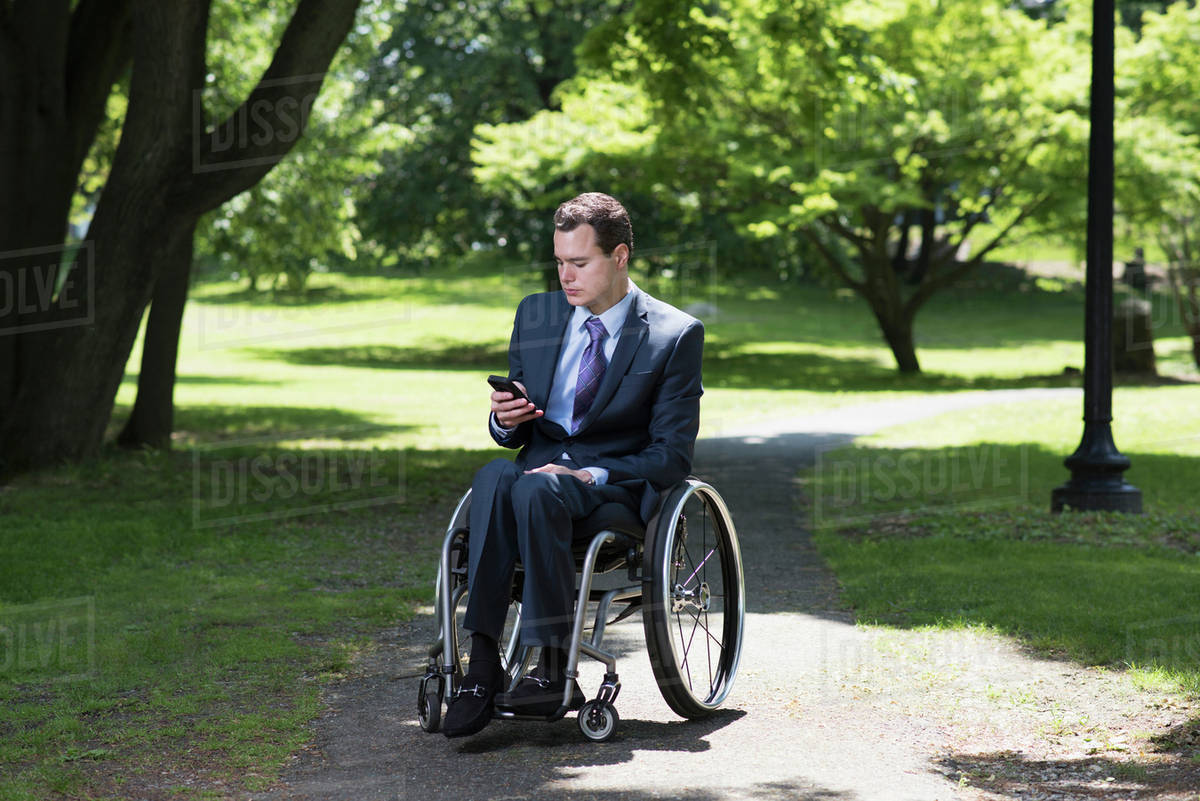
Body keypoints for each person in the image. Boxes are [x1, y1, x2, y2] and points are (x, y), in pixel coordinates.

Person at [442, 192, 704, 738]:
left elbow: (672, 455)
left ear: (620, 256)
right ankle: (483, 661)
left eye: (579, 263)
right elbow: (513, 431)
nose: (566, 276)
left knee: (534, 491)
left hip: (609, 490)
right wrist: (507, 420)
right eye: (559, 262)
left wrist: (589, 475)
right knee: (495, 474)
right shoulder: (536, 314)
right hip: (534, 477)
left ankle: (553, 665)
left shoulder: (673, 335)